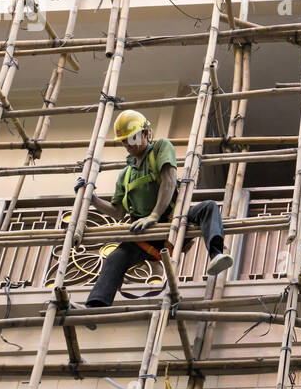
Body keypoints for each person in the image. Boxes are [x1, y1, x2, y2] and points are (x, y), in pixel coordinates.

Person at [83, 110, 233, 311]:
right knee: (116, 257)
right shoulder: (124, 175)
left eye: (132, 138)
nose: (129, 144)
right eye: (124, 141)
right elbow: (117, 212)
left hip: (173, 218)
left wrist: (154, 215)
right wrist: (91, 198)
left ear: (146, 133)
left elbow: (169, 181)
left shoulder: (160, 148)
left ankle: (215, 254)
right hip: (144, 234)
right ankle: (96, 305)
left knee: (208, 207)